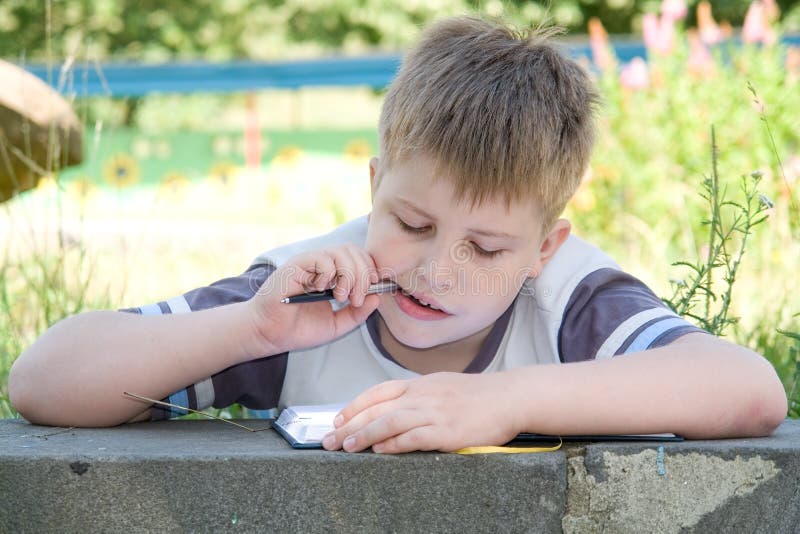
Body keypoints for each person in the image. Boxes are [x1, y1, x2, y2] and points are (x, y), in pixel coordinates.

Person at [9, 17, 787, 453]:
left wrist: (501, 400)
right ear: (375, 188)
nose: (437, 271)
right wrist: (247, 329)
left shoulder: (567, 296)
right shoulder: (308, 301)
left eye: (485, 249)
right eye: (412, 224)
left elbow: (751, 392)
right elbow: (42, 382)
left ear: (542, 250)